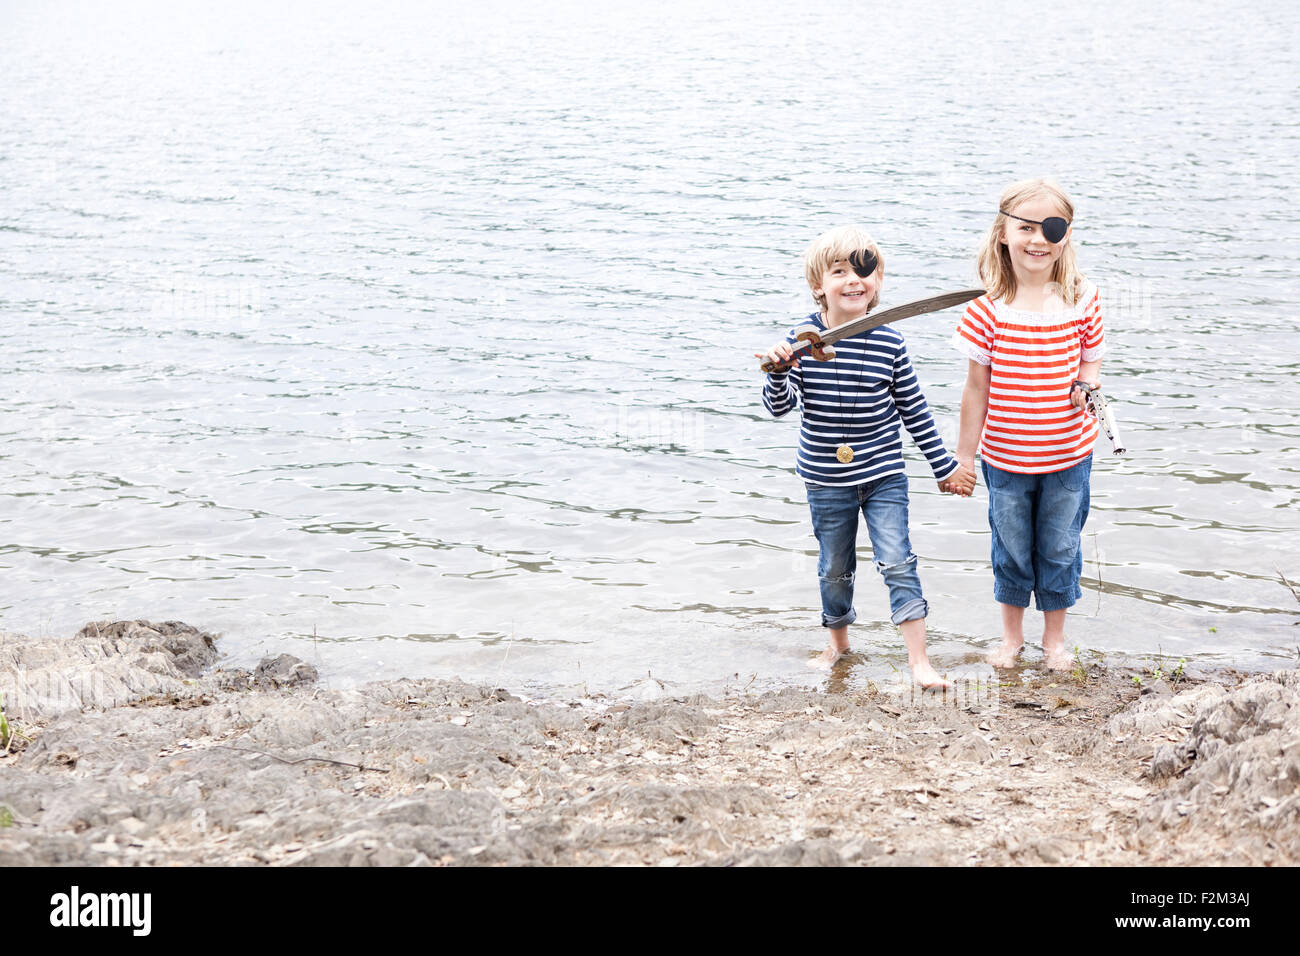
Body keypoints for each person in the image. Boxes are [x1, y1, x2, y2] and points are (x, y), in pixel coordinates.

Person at [758, 225, 976, 689]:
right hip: (824, 478)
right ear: (819, 284)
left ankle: (919, 661)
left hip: (883, 475)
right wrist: (779, 372)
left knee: (898, 559)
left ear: (877, 283)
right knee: (835, 567)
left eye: (865, 271)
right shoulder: (800, 341)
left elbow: (914, 410)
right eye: (840, 271)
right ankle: (838, 644)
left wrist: (945, 467)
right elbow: (779, 407)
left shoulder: (890, 342)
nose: (854, 280)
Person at [951, 179, 1105, 671]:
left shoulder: (1083, 299)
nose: (1039, 239)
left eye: (1051, 228)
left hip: (1068, 454)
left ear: (1067, 236)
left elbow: (1091, 362)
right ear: (1003, 233)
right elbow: (976, 390)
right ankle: (1012, 639)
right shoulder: (985, 311)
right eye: (1026, 227)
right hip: (1006, 458)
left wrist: (1087, 386)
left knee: (1060, 545)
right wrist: (963, 456)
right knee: (1011, 547)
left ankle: (1054, 641)